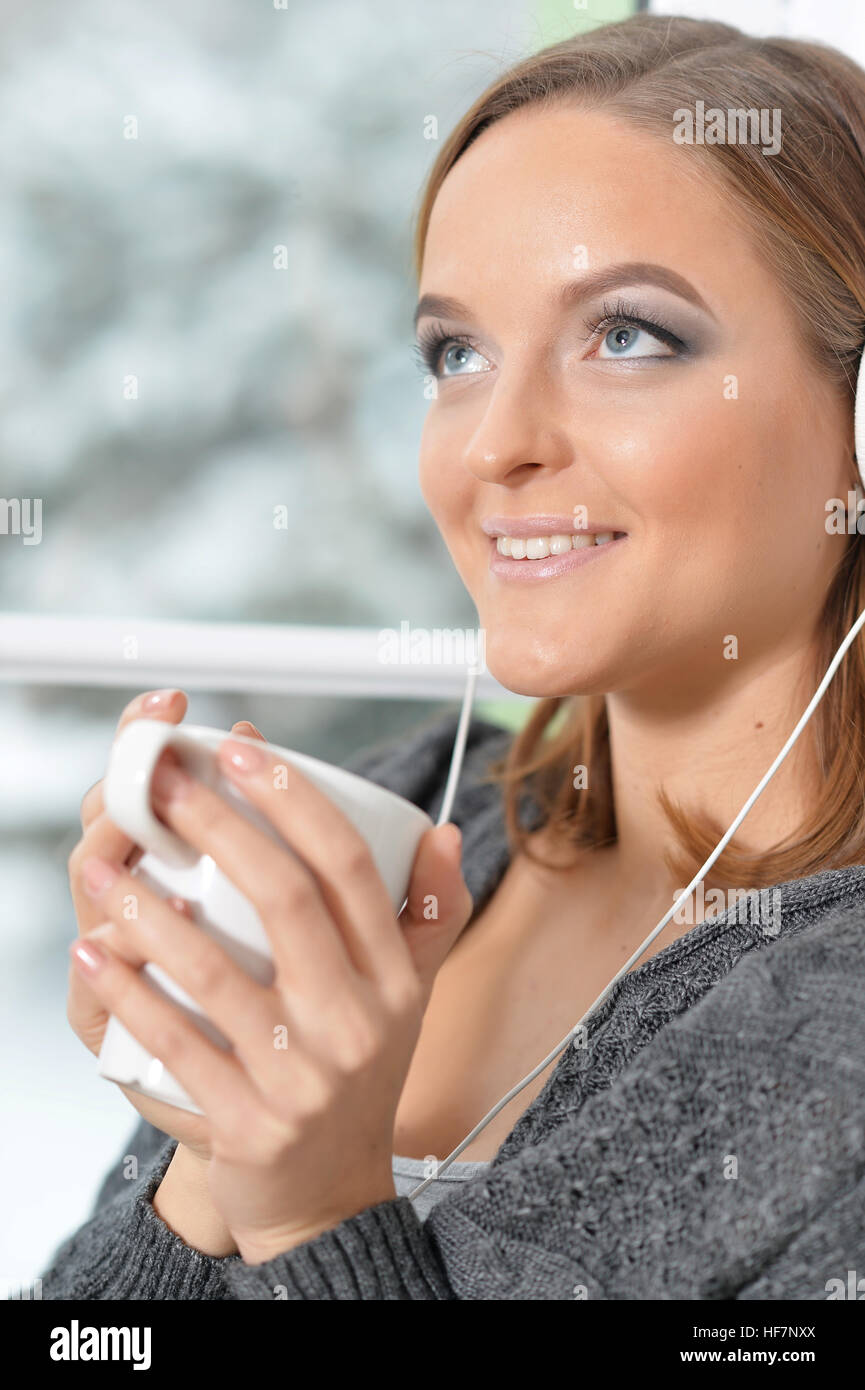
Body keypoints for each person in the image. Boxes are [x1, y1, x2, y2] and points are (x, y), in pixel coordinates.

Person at [43, 13, 865, 1299]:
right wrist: (211, 1150)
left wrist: (315, 1211)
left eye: (627, 335)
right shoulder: (403, 815)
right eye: (457, 353)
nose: (492, 444)